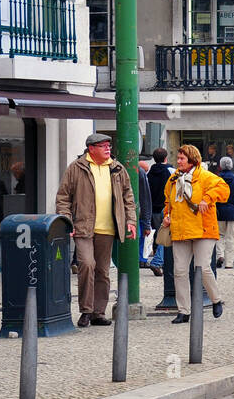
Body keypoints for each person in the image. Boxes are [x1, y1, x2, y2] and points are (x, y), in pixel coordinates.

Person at [54, 133, 137, 327]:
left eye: (109, 146)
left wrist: (130, 221)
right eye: (103, 146)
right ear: (91, 149)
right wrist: (66, 221)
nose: (108, 149)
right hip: (83, 226)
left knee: (102, 271)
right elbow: (63, 197)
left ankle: (98, 312)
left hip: (107, 228)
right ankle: (85, 310)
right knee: (86, 264)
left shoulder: (117, 168)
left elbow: (128, 197)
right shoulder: (76, 168)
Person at [164, 145, 230, 323]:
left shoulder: (206, 176)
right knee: (179, 271)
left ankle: (216, 299)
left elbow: (224, 190)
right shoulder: (173, 179)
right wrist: (166, 216)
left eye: (182, 158)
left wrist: (207, 199)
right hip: (180, 229)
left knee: (202, 267)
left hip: (203, 229)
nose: (178, 162)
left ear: (192, 160)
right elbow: (168, 201)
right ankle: (183, 311)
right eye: (177, 158)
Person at [214, 156, 234, 268]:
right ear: (231, 165)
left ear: (221, 166)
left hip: (219, 212)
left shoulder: (216, 179)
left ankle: (219, 255)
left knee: (219, 236)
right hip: (233, 212)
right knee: (231, 238)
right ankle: (229, 263)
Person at [146, 147, 171, 272]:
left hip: (153, 210)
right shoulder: (171, 171)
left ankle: (160, 260)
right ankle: (158, 261)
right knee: (166, 236)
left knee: (159, 235)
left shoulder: (149, 174)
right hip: (166, 208)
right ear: (166, 158)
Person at [136, 162, 157, 275]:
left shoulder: (142, 174)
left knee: (141, 237)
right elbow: (145, 199)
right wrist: (147, 222)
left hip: (140, 213)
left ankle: (141, 259)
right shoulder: (141, 174)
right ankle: (142, 259)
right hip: (140, 213)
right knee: (142, 237)